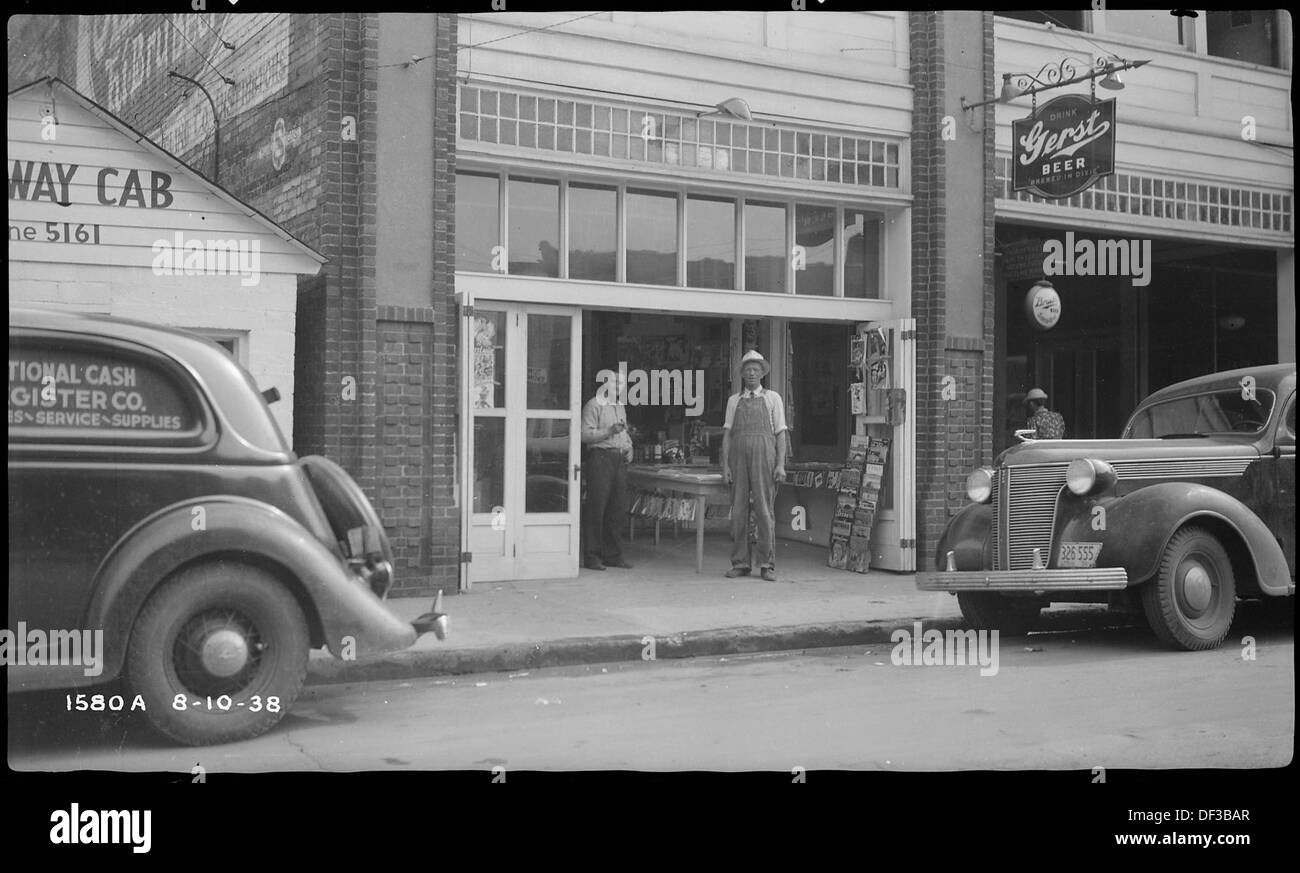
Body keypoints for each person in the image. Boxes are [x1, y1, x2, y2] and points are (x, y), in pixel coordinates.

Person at [721, 350, 788, 581]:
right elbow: (727, 435)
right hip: (738, 459)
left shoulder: (773, 398)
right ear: (742, 374)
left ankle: (766, 563)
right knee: (738, 510)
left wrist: (780, 465)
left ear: (762, 373)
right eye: (747, 369)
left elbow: (780, 434)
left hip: (764, 457)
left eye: (755, 369)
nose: (751, 373)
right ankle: (740, 563)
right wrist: (725, 467)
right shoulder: (734, 400)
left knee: (764, 510)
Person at [580, 371, 633, 571]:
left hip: (619, 458)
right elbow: (584, 434)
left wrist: (629, 446)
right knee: (597, 507)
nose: (618, 387)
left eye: (621, 383)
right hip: (600, 457)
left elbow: (624, 432)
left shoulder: (620, 406)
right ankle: (592, 556)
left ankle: (613, 555)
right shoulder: (593, 405)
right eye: (614, 382)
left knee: (617, 508)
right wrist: (609, 431)